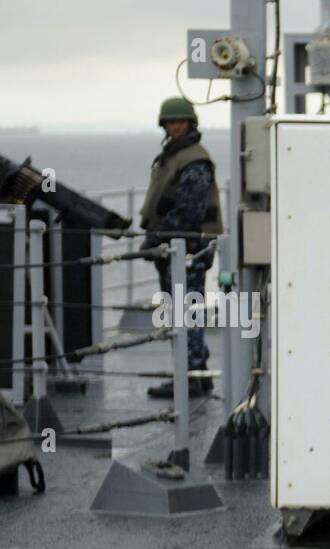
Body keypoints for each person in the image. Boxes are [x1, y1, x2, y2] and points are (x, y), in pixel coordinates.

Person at [139, 96, 222, 399]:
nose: (174, 126)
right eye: (170, 122)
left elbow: (189, 211)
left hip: (186, 250)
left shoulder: (193, 160)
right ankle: (196, 375)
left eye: (179, 122)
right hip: (176, 248)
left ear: (190, 124)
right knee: (186, 313)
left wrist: (156, 235)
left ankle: (189, 378)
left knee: (183, 315)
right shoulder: (176, 155)